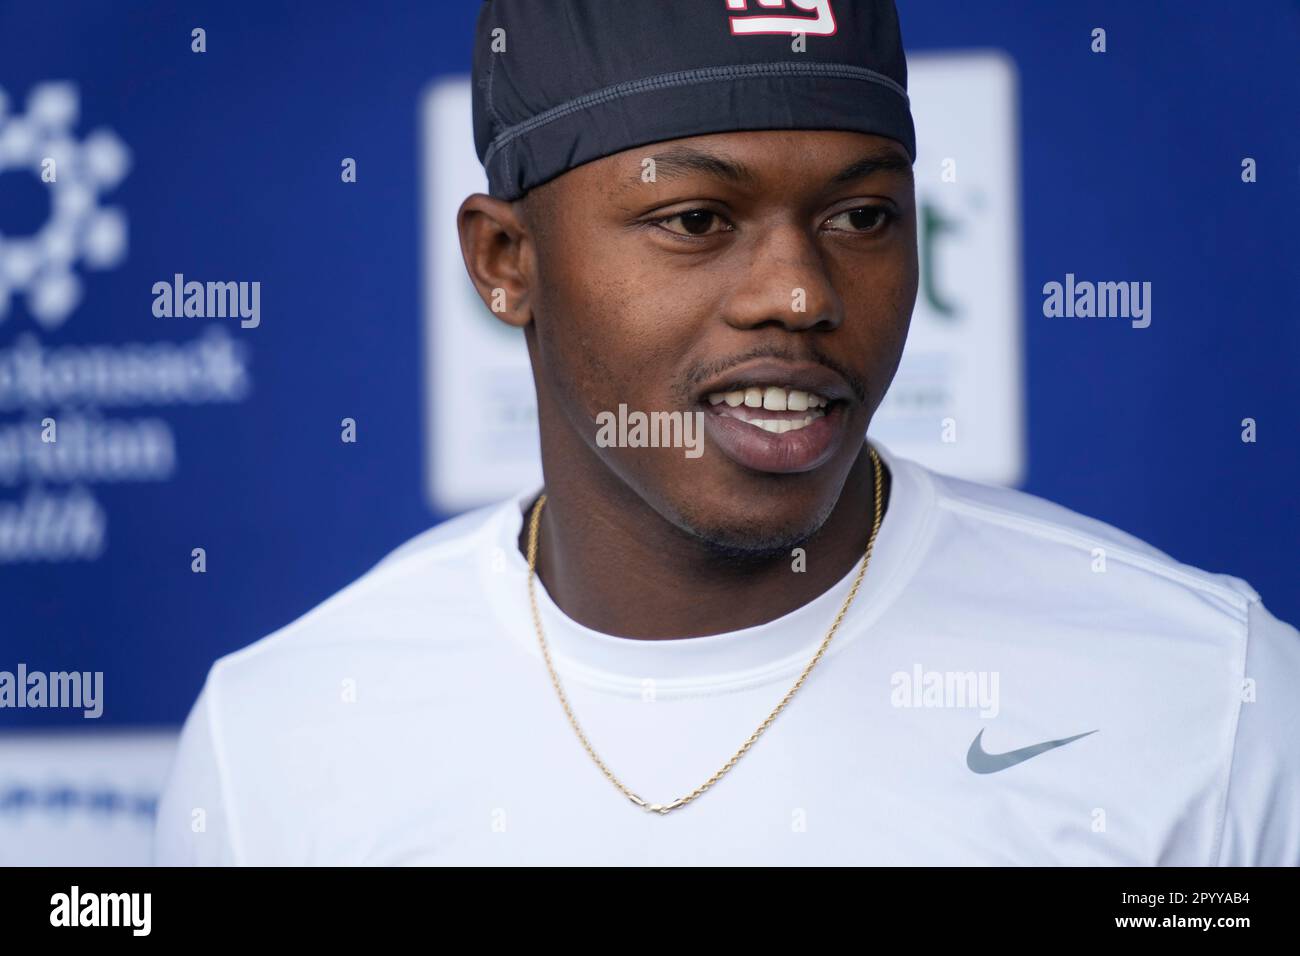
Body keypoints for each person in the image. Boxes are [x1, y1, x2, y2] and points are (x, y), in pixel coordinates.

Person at [154, 0, 1300, 865]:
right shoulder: (280, 742)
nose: (798, 295)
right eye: (695, 219)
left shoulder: (1212, 695)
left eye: (860, 216)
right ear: (506, 264)